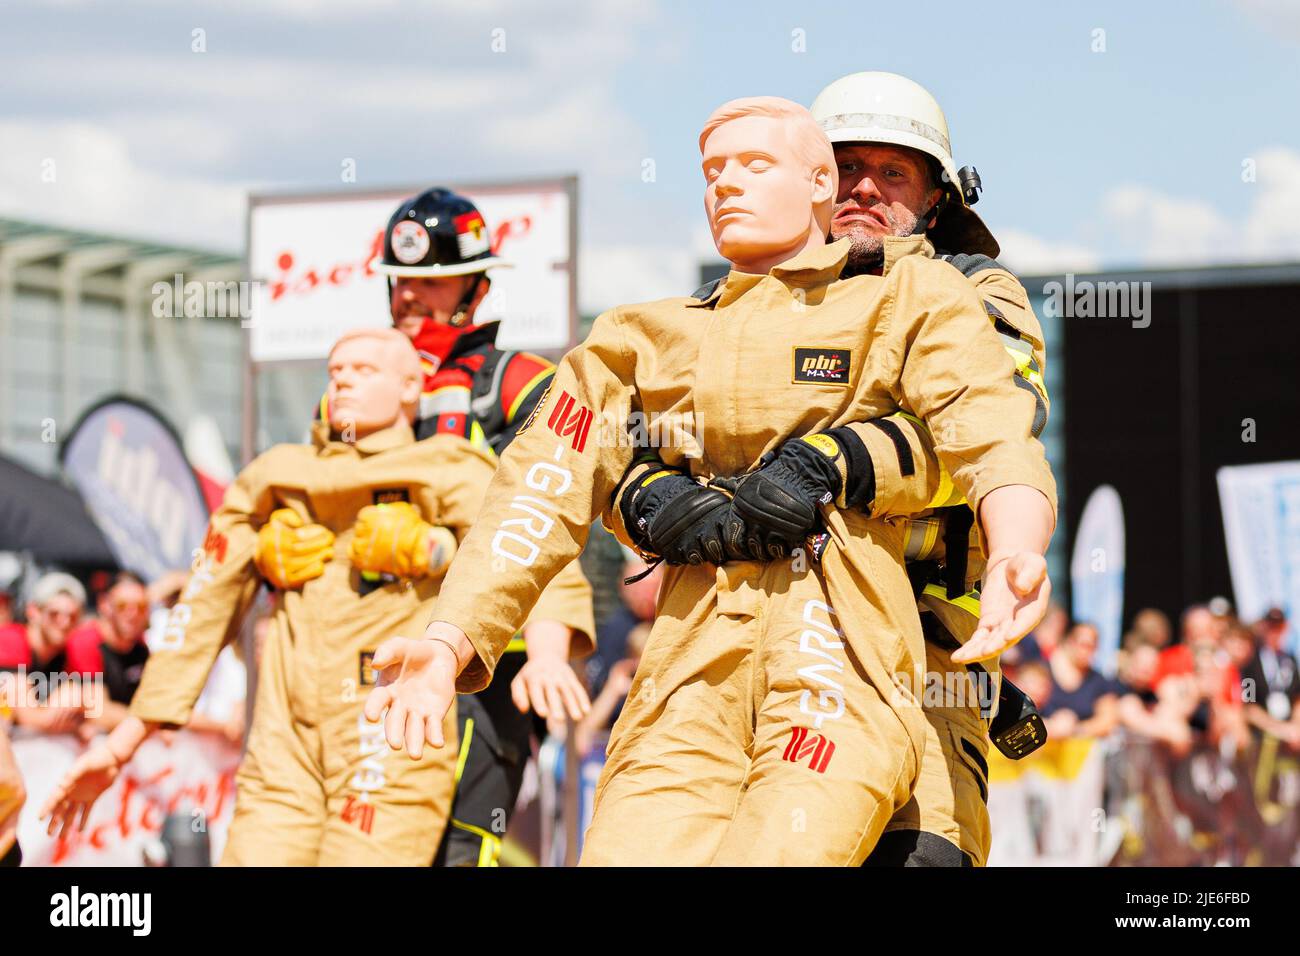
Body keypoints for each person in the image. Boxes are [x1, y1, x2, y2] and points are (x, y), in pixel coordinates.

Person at [367, 96, 1056, 866]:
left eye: (890, 172)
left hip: (895, 645)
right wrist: (458, 627)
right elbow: (543, 477)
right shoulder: (649, 333)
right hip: (694, 649)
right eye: (713, 172)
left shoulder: (942, 296)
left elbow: (987, 423)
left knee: (912, 852)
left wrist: (997, 535)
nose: (863, 187)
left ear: (935, 196)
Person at [40, 328, 527, 865]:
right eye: (336, 370)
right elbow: (202, 605)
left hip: (383, 732)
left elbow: (518, 559)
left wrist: (440, 553)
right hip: (282, 743)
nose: (343, 380)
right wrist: (120, 745)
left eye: (364, 371)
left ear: (412, 385)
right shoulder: (278, 474)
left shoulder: (451, 467)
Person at [255, 187, 595, 867]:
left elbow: (548, 512)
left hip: (482, 671)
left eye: (432, 285)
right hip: (360, 666)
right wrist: (276, 547)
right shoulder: (351, 391)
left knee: (457, 853)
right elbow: (307, 494)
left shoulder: (522, 383)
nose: (411, 298)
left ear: (474, 286)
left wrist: (549, 642)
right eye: (401, 284)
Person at [0, 573, 89, 735]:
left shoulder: (71, 652)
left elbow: (94, 712)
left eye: (73, 616)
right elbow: (30, 718)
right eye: (54, 614)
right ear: (33, 612)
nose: (64, 622)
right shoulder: (10, 639)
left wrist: (77, 699)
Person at [65, 570, 151, 731]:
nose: (132, 614)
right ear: (104, 605)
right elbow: (99, 712)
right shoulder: (86, 642)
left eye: (140, 607)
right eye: (122, 605)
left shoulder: (140, 647)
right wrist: (153, 722)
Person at [1041, 623, 1118, 739]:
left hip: (1078, 752)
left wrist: (1075, 729)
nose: (1087, 651)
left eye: (1092, 646)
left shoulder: (1098, 680)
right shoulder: (1042, 670)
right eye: (1083, 645)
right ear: (1069, 642)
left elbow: (1107, 720)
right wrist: (1050, 727)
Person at [1240, 608, 1300, 748]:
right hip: (1262, 733)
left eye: (1278, 627)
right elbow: (1249, 706)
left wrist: (1295, 726)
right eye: (1270, 626)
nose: (1274, 631)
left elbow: (1298, 698)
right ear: (1263, 627)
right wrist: (1278, 728)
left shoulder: (1289, 660)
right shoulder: (1250, 662)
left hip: (1291, 731)